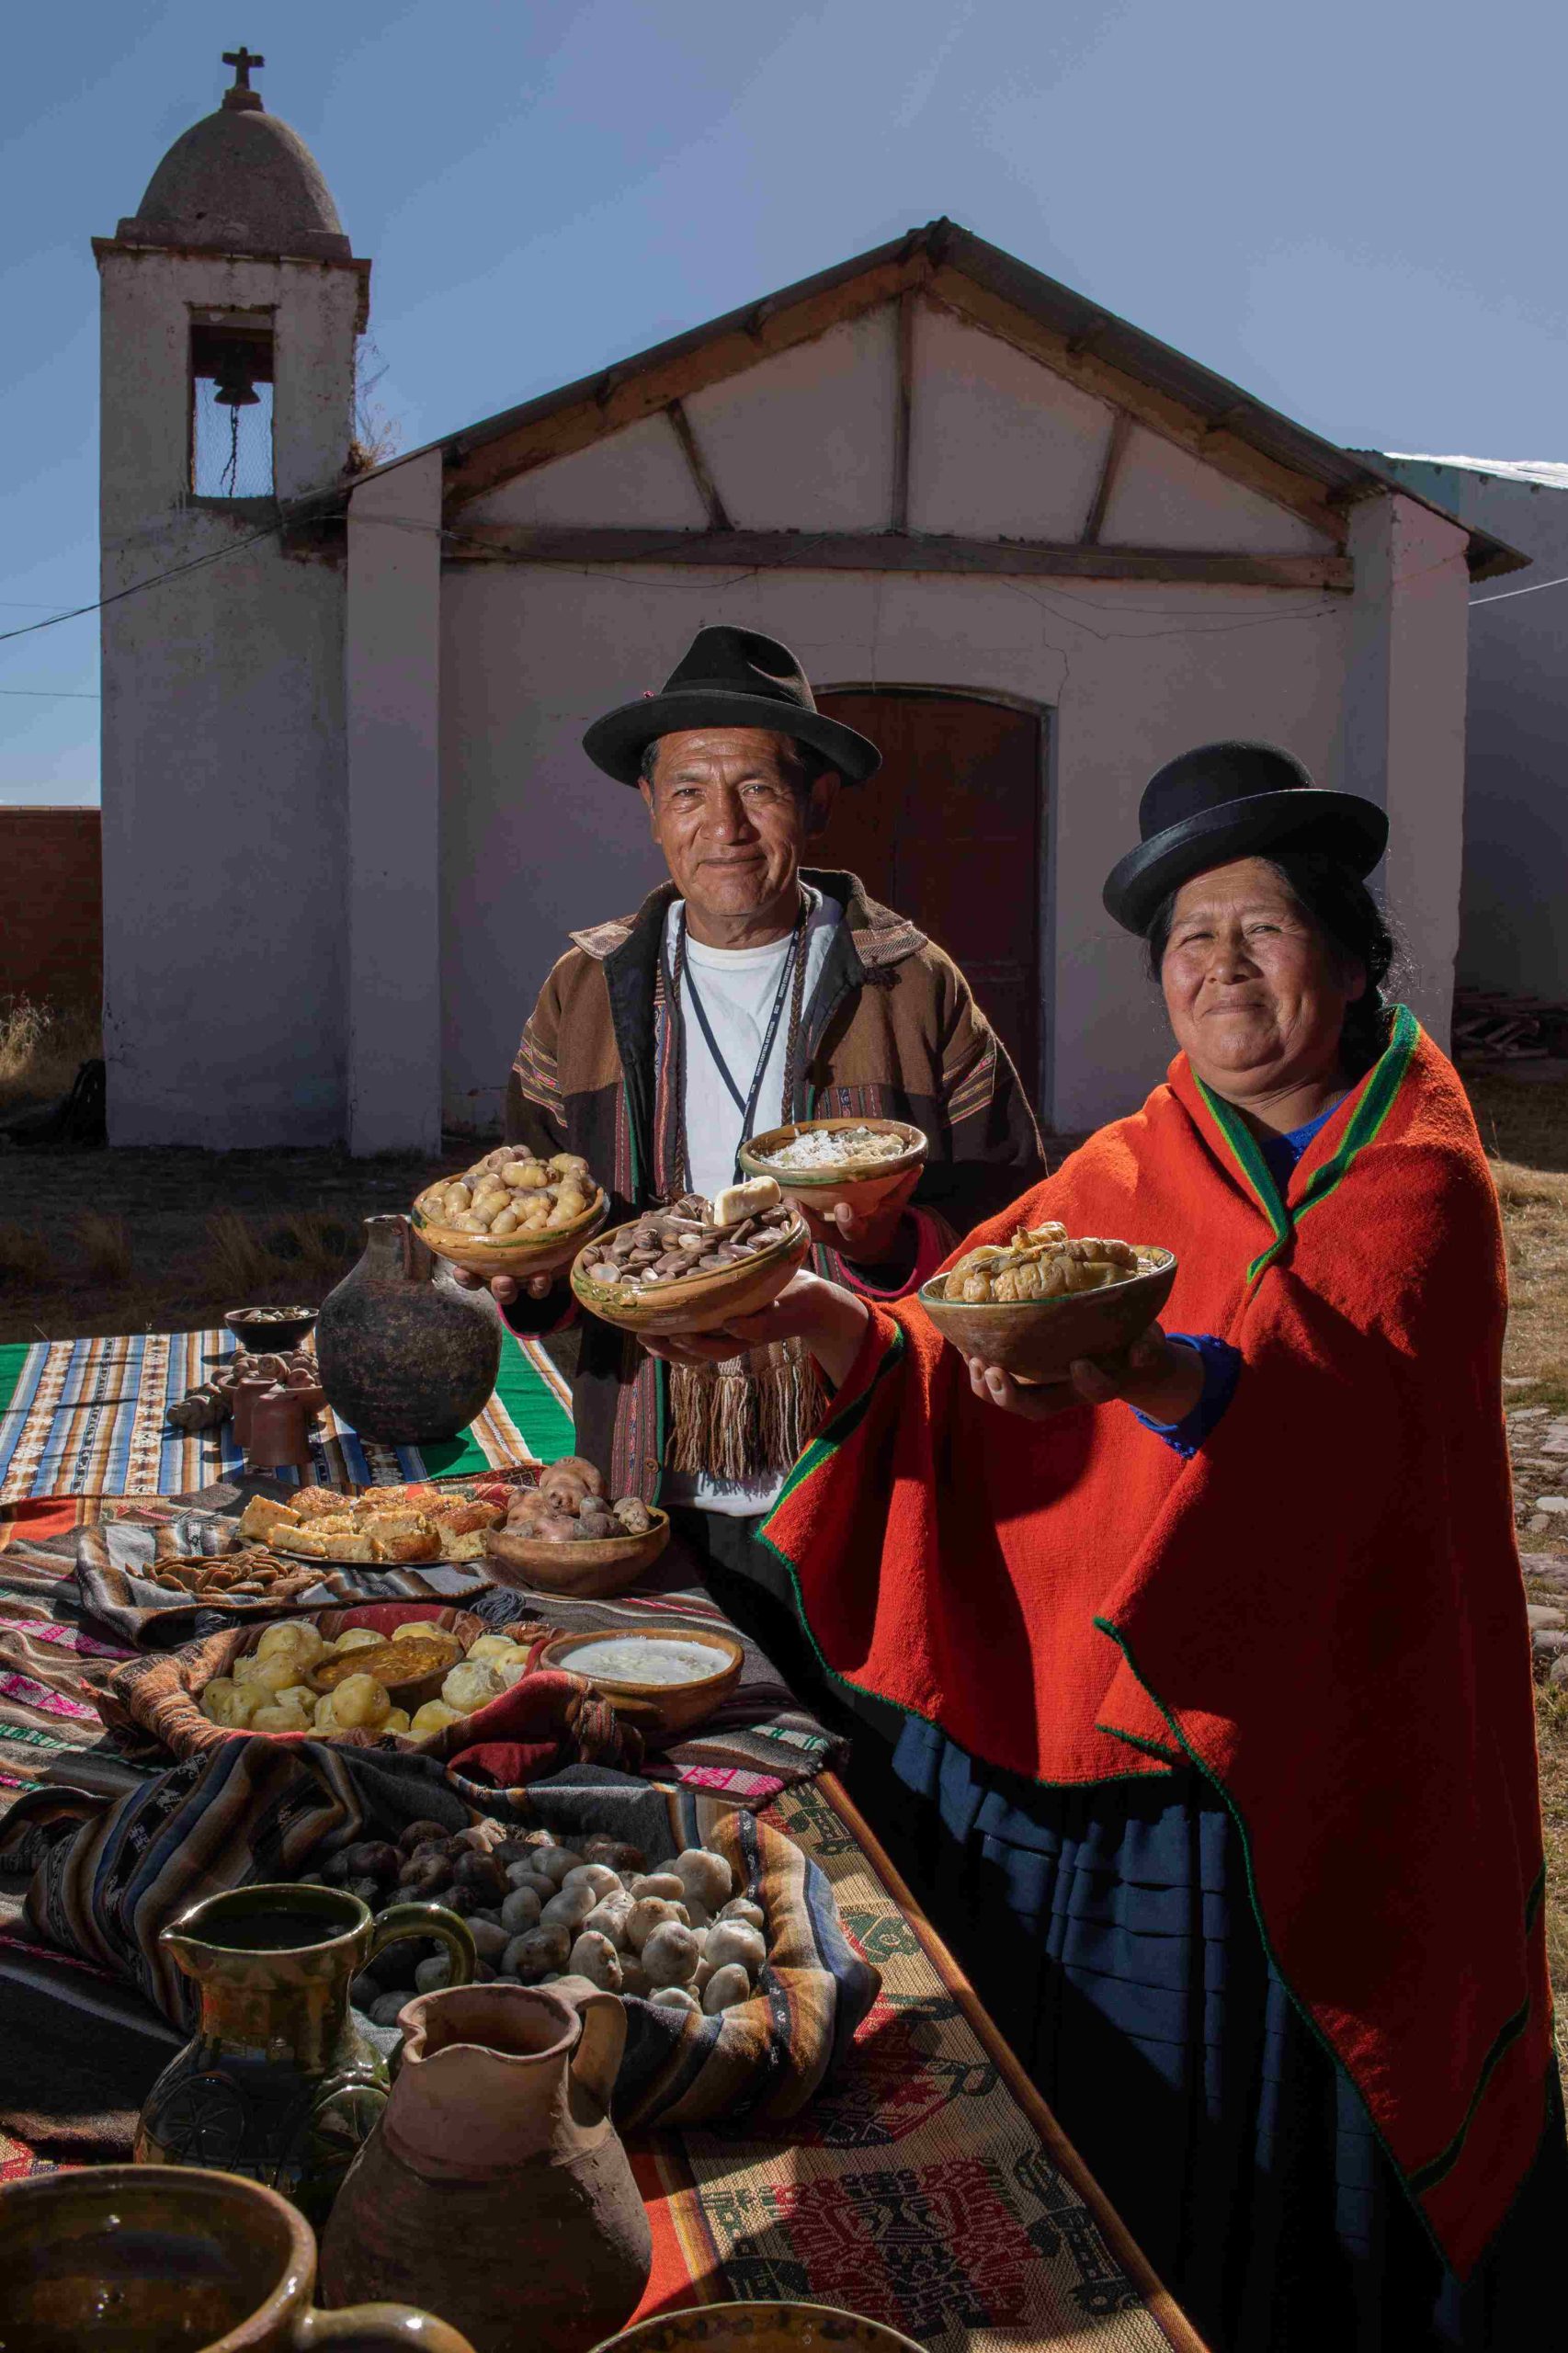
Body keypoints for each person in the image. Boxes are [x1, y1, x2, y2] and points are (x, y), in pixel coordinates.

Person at [666, 743, 1562, 2350]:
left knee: (1228, 2163)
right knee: (1054, 2096)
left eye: (1262, 929)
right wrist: (813, 1312)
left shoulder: (1418, 1183)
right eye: (1188, 941)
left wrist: (1143, 1371)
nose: (1223, 969)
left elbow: (1351, 1445)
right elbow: (942, 1346)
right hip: (1077, 1706)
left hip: (1276, 1748)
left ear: (1348, 955)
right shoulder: (1133, 1160)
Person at [479, 624, 1043, 1680]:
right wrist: (526, 1277)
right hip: (643, 1475)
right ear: (649, 809)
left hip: (853, 1471)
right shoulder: (586, 989)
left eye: (757, 789)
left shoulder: (907, 981)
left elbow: (1015, 1220)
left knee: (863, 1737)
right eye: (689, 792)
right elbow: (536, 1209)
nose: (724, 826)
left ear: (816, 800)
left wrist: (890, 1244)